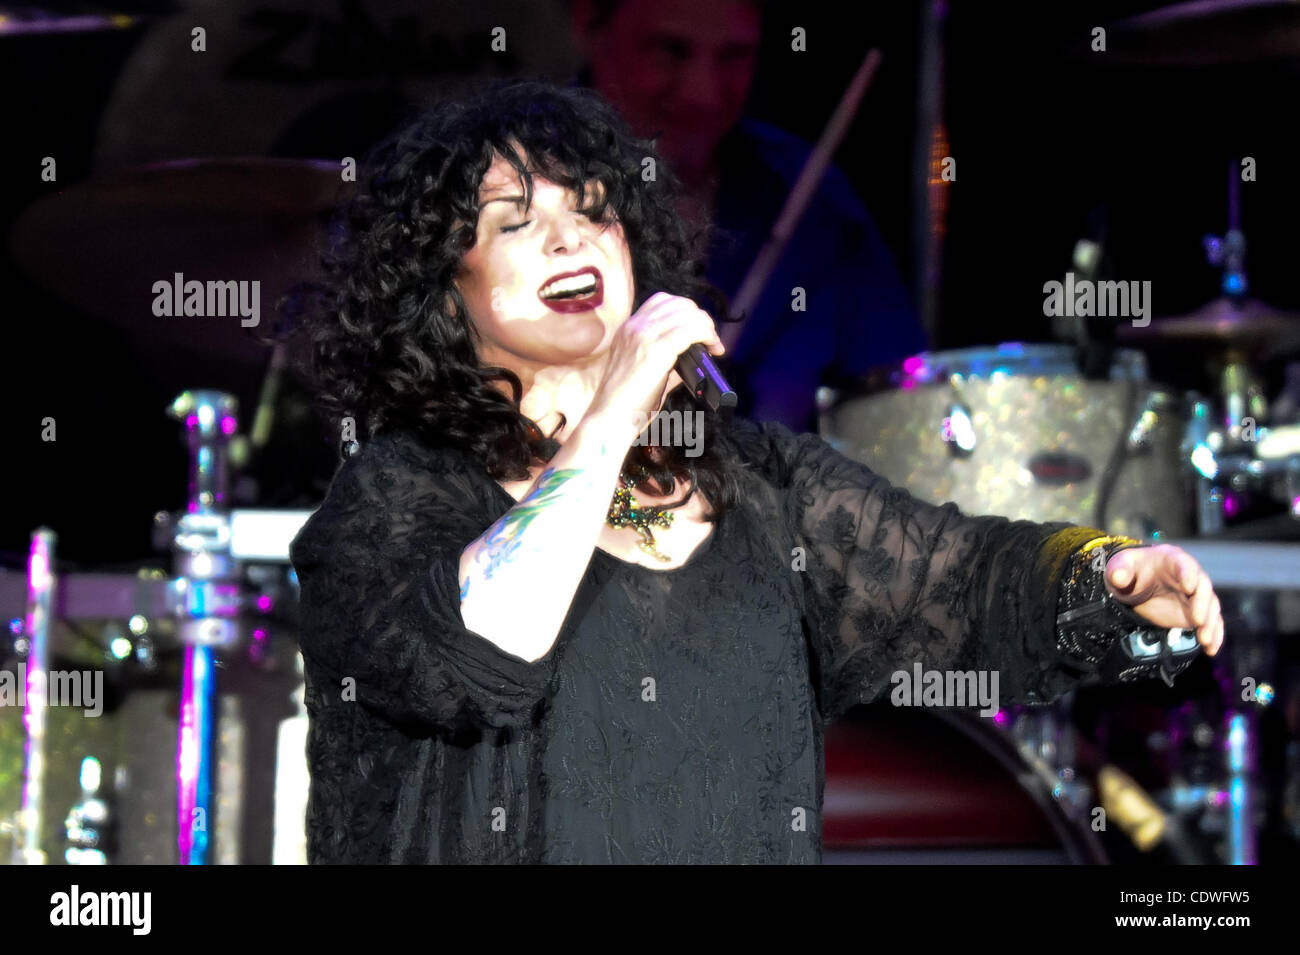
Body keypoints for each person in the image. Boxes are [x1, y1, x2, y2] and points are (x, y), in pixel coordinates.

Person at [288, 77, 1224, 864]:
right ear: (448, 288)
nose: (571, 240)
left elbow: (964, 578)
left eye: (593, 211)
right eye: (517, 224)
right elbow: (484, 649)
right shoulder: (393, 499)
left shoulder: (761, 488)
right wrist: (614, 404)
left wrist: (1107, 579)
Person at [568, 0, 928, 431]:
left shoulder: (812, 193)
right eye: (669, 50)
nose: (702, 94)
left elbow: (905, 408)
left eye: (734, 56)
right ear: (588, 18)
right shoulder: (511, 187)